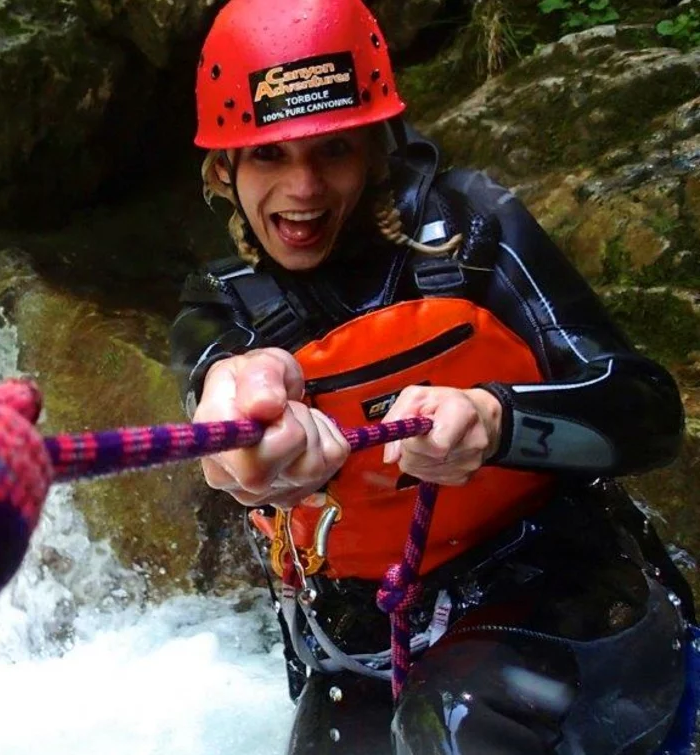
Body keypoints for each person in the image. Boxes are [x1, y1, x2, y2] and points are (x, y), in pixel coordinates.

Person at [169, 0, 697, 751]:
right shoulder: (221, 304)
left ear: (377, 148)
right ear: (223, 169)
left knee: (448, 721)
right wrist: (236, 424)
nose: (303, 189)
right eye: (268, 156)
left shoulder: (475, 233)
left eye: (333, 150)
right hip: (371, 639)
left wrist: (493, 419)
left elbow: (648, 411)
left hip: (560, 602)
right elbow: (213, 377)